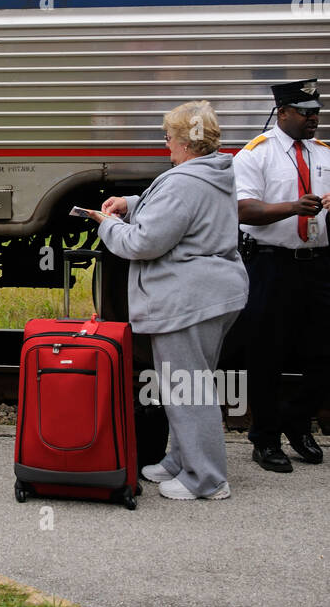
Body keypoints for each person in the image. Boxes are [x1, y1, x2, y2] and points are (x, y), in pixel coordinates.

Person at [90, 101, 248, 501]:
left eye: (169, 138)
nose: (166, 144)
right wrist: (132, 202)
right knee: (188, 384)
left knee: (188, 389)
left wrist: (108, 225)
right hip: (214, 293)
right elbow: (181, 210)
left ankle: (206, 479)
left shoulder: (183, 182)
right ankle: (180, 460)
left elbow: (144, 243)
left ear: (184, 143)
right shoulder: (215, 171)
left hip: (188, 300)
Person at [232, 78, 329, 472]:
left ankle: (296, 416)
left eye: (317, 113)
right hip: (271, 265)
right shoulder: (256, 155)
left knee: (324, 352)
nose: (314, 120)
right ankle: (266, 438)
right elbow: (244, 210)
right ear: (283, 113)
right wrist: (293, 207)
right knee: (266, 355)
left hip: (319, 264)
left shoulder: (325, 153)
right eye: (306, 113)